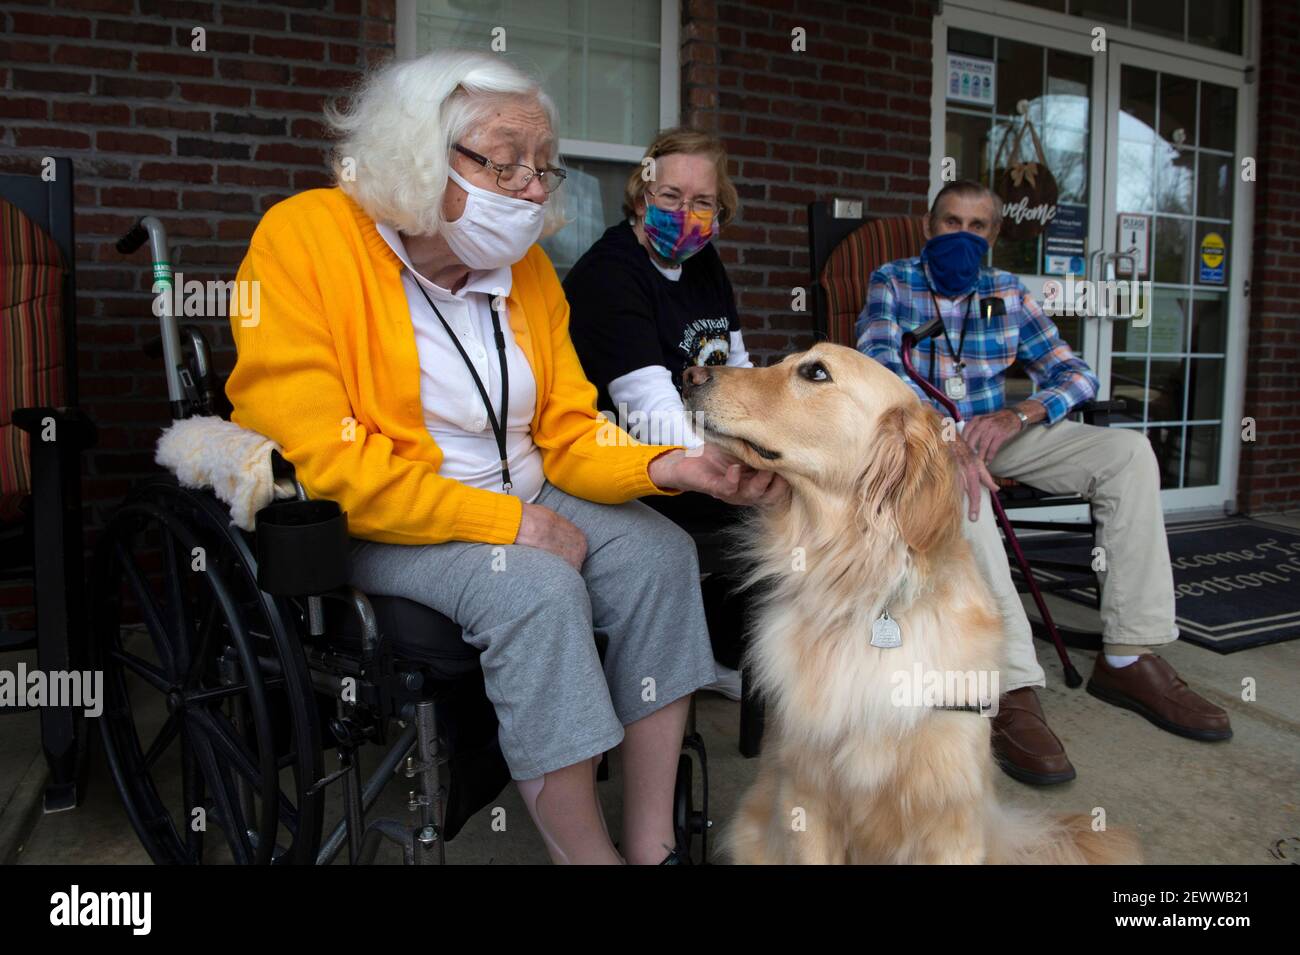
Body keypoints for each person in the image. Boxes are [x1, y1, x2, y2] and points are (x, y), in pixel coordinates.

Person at [224, 50, 781, 864]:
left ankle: (653, 841)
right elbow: (326, 464)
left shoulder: (526, 273)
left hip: (526, 490)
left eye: (542, 168)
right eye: (505, 161)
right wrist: (508, 522)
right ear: (419, 152)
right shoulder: (305, 239)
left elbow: (568, 432)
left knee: (661, 556)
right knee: (537, 586)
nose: (532, 188)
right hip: (387, 520)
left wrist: (668, 467)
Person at [857, 180, 1231, 786]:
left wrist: (1019, 414)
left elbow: (1075, 373)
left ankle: (1129, 654)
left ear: (994, 236)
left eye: (977, 226)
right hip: (926, 443)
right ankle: (1010, 686)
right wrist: (950, 442)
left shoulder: (1006, 291)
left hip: (1003, 432)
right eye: (950, 222)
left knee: (1129, 454)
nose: (962, 236)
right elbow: (879, 369)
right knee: (966, 491)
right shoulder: (894, 280)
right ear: (930, 228)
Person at [564, 128, 775, 698]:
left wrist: (764, 440)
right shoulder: (611, 273)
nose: (686, 213)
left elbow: (738, 367)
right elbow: (648, 408)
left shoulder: (705, 263)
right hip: (630, 461)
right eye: (669, 196)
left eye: (702, 201)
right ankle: (698, 659)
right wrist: (723, 464)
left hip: (699, 441)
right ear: (641, 198)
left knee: (797, 490)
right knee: (768, 507)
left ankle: (730, 651)